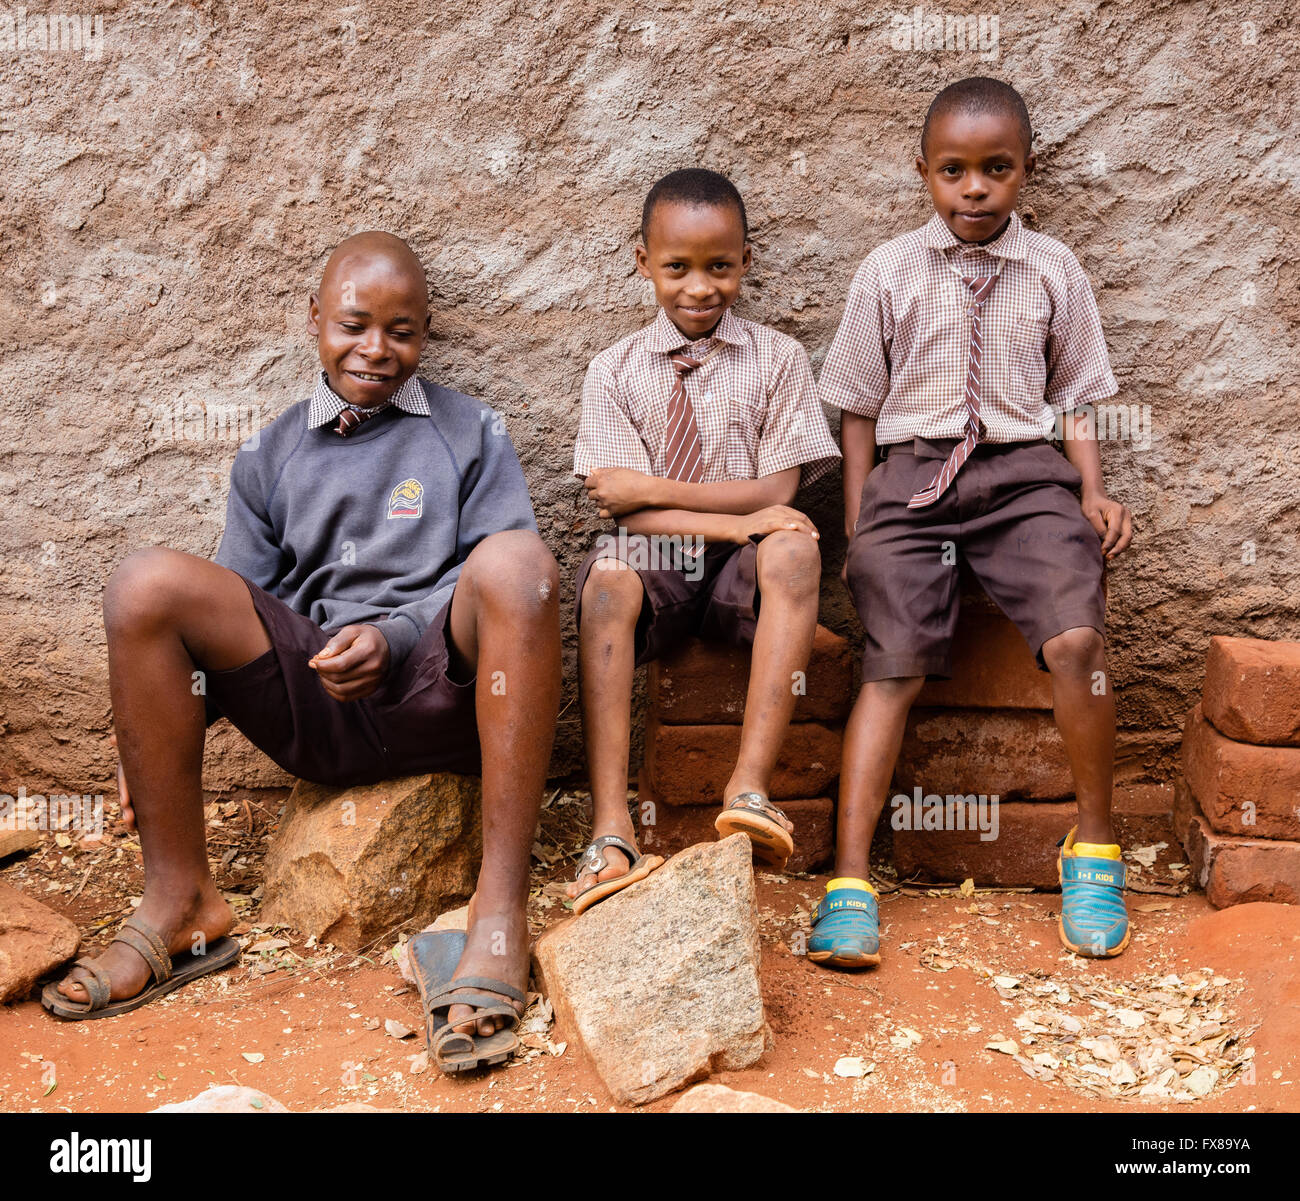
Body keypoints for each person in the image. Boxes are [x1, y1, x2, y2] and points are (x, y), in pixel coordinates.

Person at [46, 232, 561, 1075]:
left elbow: (510, 593)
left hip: (440, 694)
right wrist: (152, 730)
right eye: (354, 324)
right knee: (145, 584)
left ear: (427, 335)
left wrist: (395, 636)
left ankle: (496, 914)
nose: (376, 349)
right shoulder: (273, 449)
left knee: (521, 564)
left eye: (403, 330)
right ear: (313, 320)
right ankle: (181, 901)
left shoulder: (470, 432)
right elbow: (236, 612)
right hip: (315, 704)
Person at [816, 78, 1134, 969]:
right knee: (892, 664)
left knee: (1076, 641)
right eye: (953, 170)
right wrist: (857, 527)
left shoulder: (1053, 270)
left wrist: (1093, 490)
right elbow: (857, 412)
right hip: (912, 480)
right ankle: (850, 880)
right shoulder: (886, 271)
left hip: (1025, 476)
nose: (975, 189)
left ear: (1026, 170)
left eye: (997, 169)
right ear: (923, 172)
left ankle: (1096, 849)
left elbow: (1074, 395)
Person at [569, 169, 840, 913]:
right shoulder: (615, 370)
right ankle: (612, 826)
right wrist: (729, 517)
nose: (699, 287)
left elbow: (777, 492)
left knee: (793, 547)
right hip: (656, 558)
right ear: (642, 262)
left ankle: (749, 789)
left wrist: (655, 489)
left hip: (739, 571)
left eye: (719, 267)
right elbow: (624, 514)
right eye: (677, 267)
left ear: (745, 262)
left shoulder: (777, 359)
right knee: (607, 579)